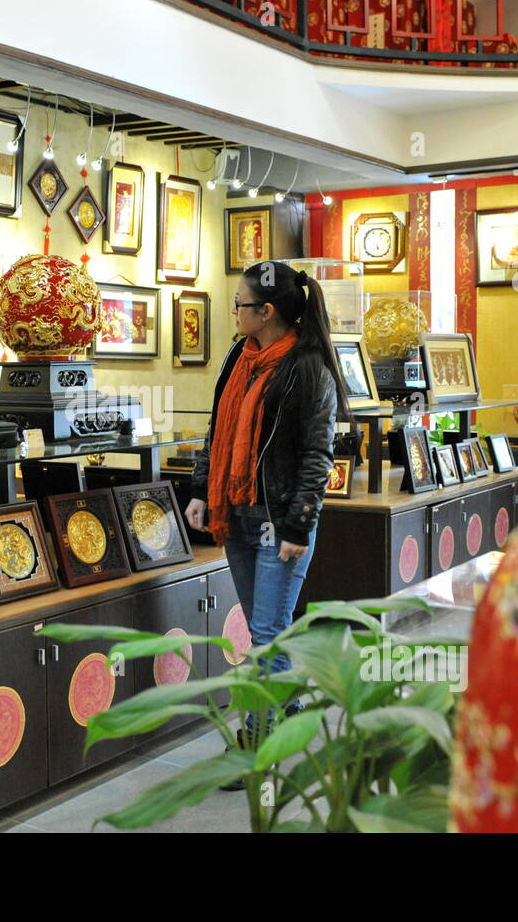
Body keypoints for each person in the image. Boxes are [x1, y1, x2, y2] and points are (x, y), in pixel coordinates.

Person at [186, 260, 348, 774]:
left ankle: (253, 747)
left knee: (267, 635)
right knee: (264, 633)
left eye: (240, 303)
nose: (234, 311)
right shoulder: (240, 356)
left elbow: (317, 456)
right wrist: (197, 489)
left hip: (280, 522)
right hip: (235, 513)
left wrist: (299, 524)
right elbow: (217, 428)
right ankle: (288, 709)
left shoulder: (308, 368)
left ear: (267, 311)